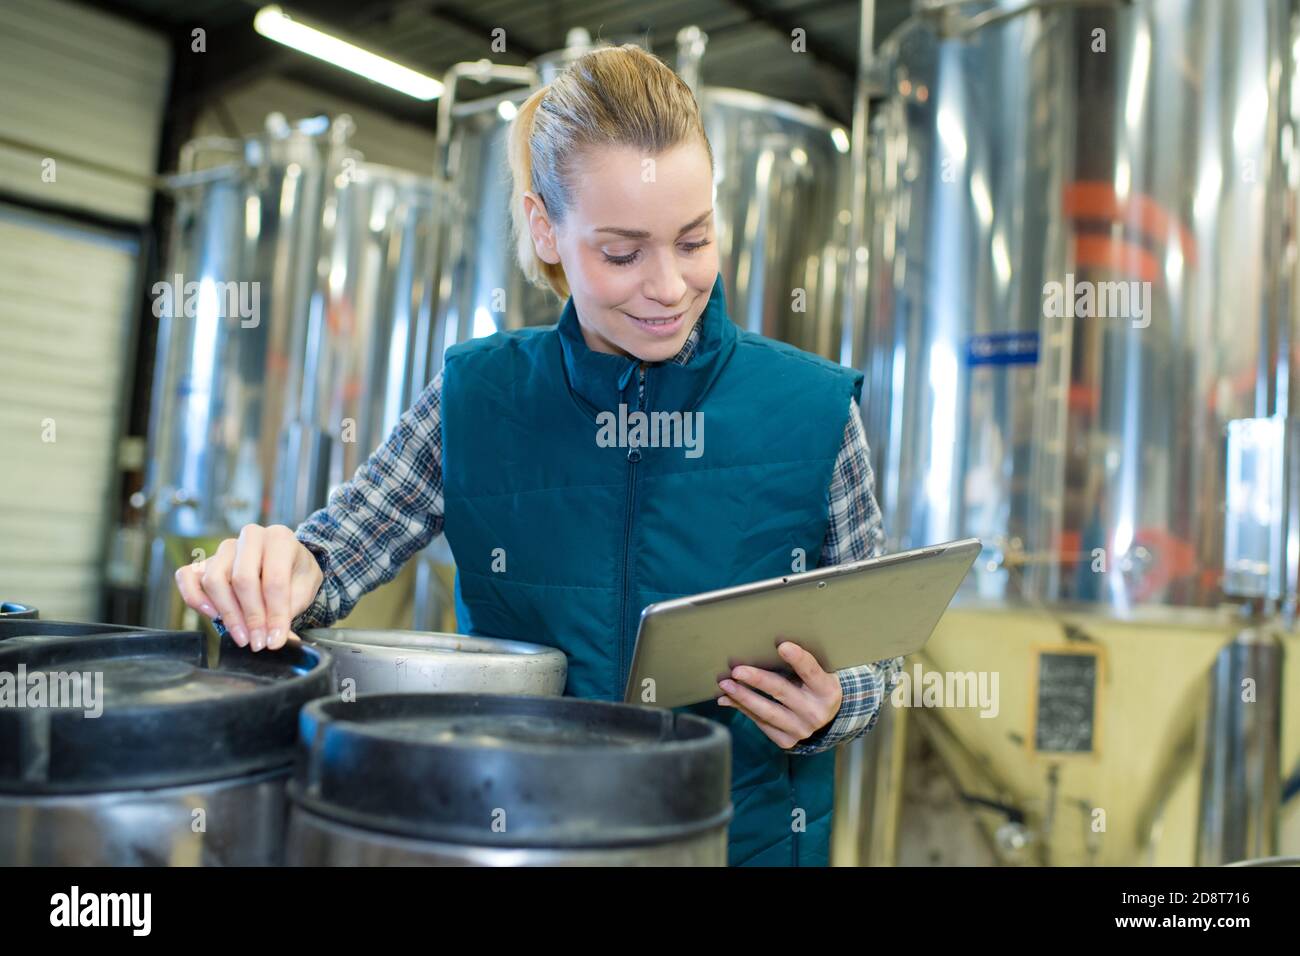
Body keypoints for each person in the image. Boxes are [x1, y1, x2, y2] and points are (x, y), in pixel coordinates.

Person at [174, 43, 902, 867]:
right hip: (514, 837)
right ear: (544, 229)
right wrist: (283, 571)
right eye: (623, 253)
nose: (668, 287)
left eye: (694, 240)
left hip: (743, 844)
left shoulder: (812, 410)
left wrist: (839, 702)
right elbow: (338, 553)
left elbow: (876, 648)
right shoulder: (479, 397)